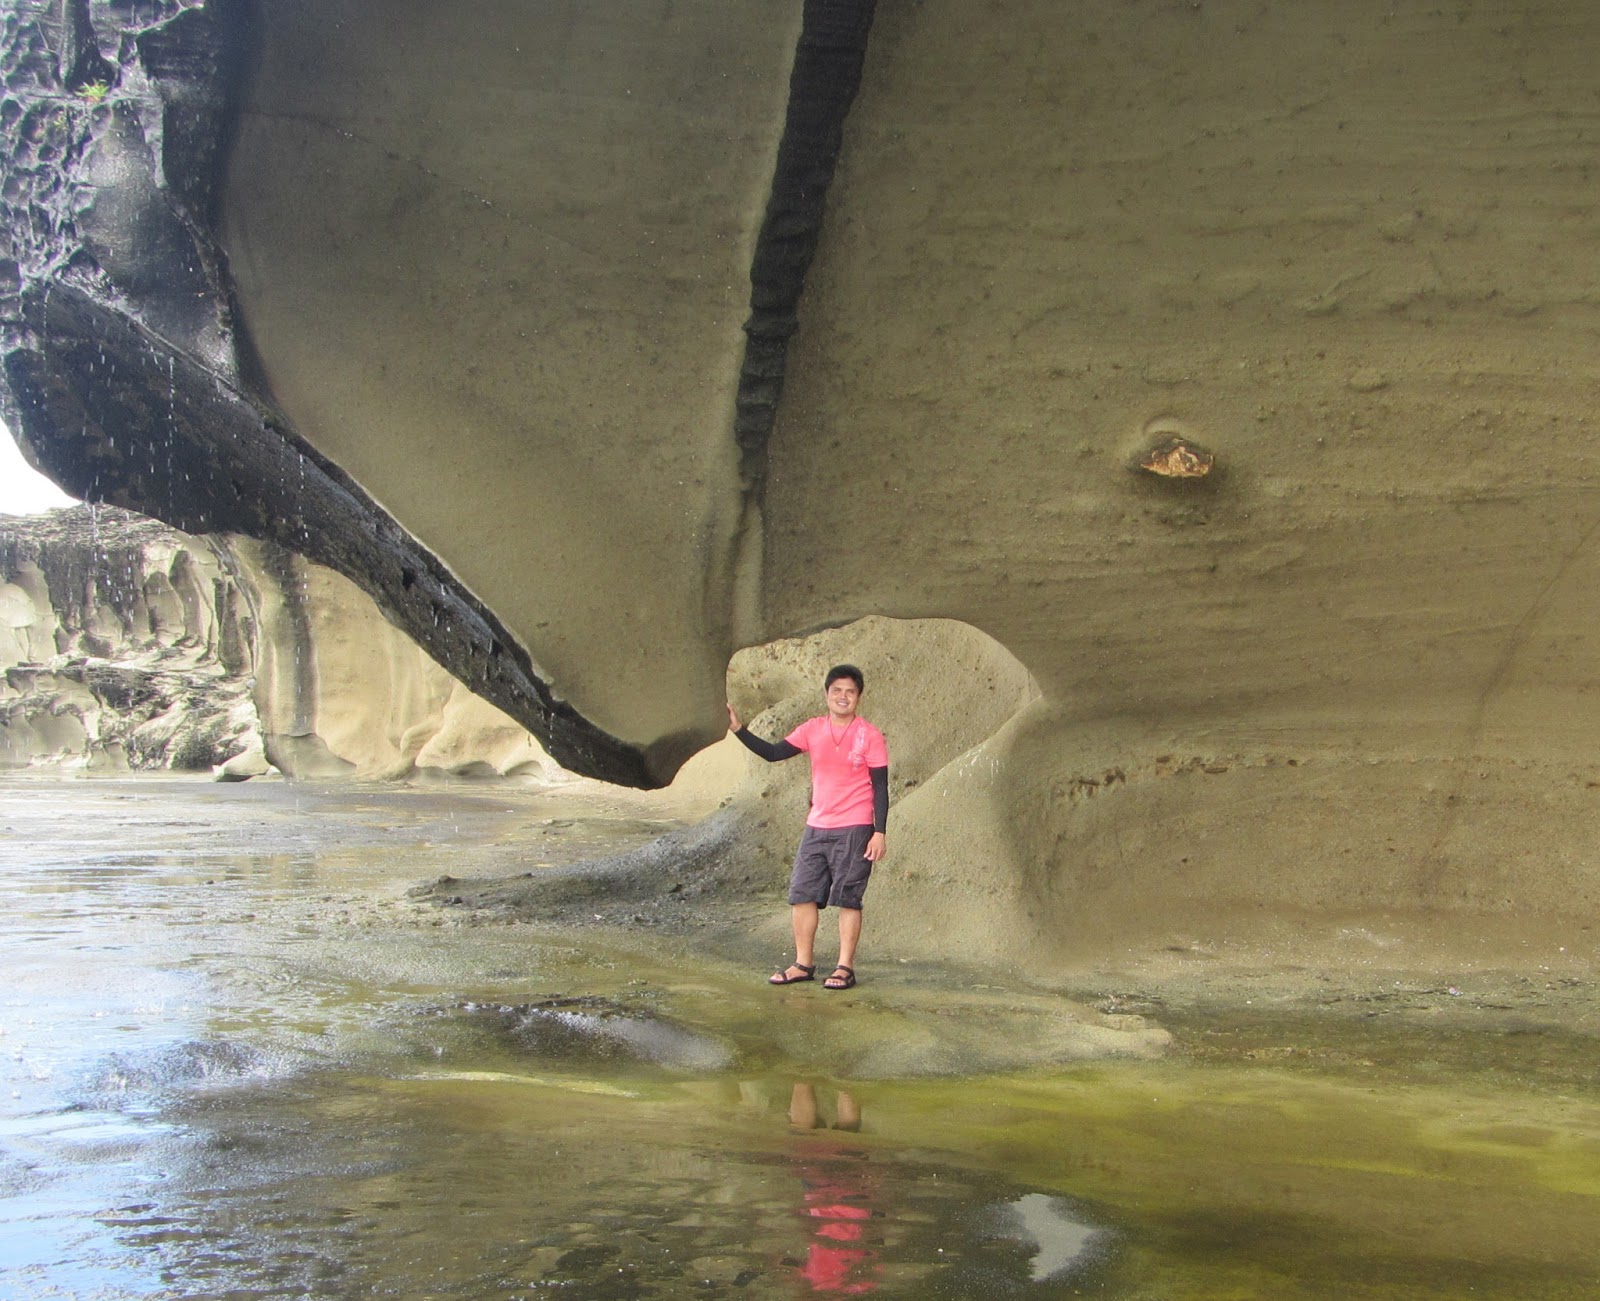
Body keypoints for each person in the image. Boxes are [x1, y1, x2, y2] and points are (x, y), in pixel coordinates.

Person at [727, 664, 888, 990]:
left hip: (855, 826)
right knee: (802, 895)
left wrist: (879, 831)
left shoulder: (869, 735)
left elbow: (881, 787)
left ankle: (845, 968)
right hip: (816, 826)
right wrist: (738, 729)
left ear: (858, 697)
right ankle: (803, 964)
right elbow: (773, 753)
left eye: (850, 692)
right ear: (827, 695)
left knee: (848, 898)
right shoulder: (812, 729)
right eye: (837, 690)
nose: (843, 697)